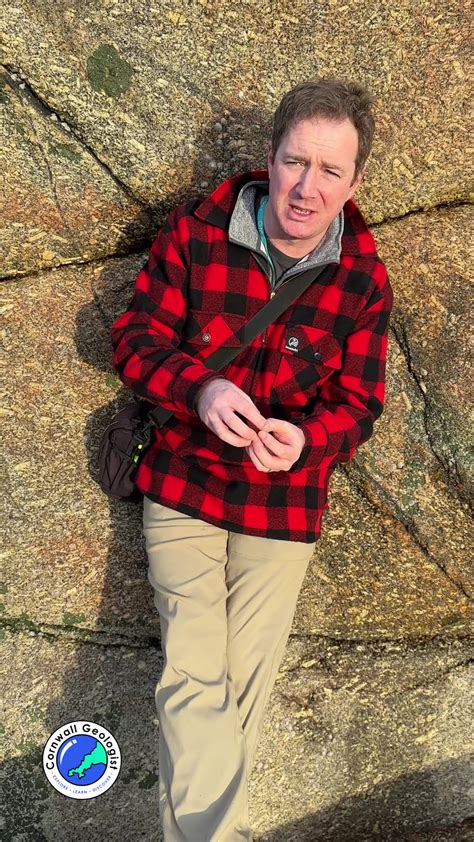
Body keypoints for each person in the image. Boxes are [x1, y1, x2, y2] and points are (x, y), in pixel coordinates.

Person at [111, 77, 393, 841]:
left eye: (331, 170)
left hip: (284, 500)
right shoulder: (197, 234)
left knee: (242, 696)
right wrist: (199, 389)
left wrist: (309, 438)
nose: (308, 187)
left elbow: (360, 403)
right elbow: (133, 339)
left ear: (355, 180)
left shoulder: (363, 278)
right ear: (270, 156)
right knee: (194, 679)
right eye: (297, 162)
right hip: (183, 481)